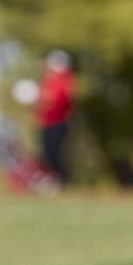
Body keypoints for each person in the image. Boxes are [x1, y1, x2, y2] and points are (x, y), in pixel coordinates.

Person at [37, 50, 75, 187]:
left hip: (58, 122)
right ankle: (52, 181)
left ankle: (62, 180)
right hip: (46, 122)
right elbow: (41, 100)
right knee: (45, 154)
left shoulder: (65, 79)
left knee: (53, 153)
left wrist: (46, 97)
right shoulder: (48, 80)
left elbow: (62, 99)